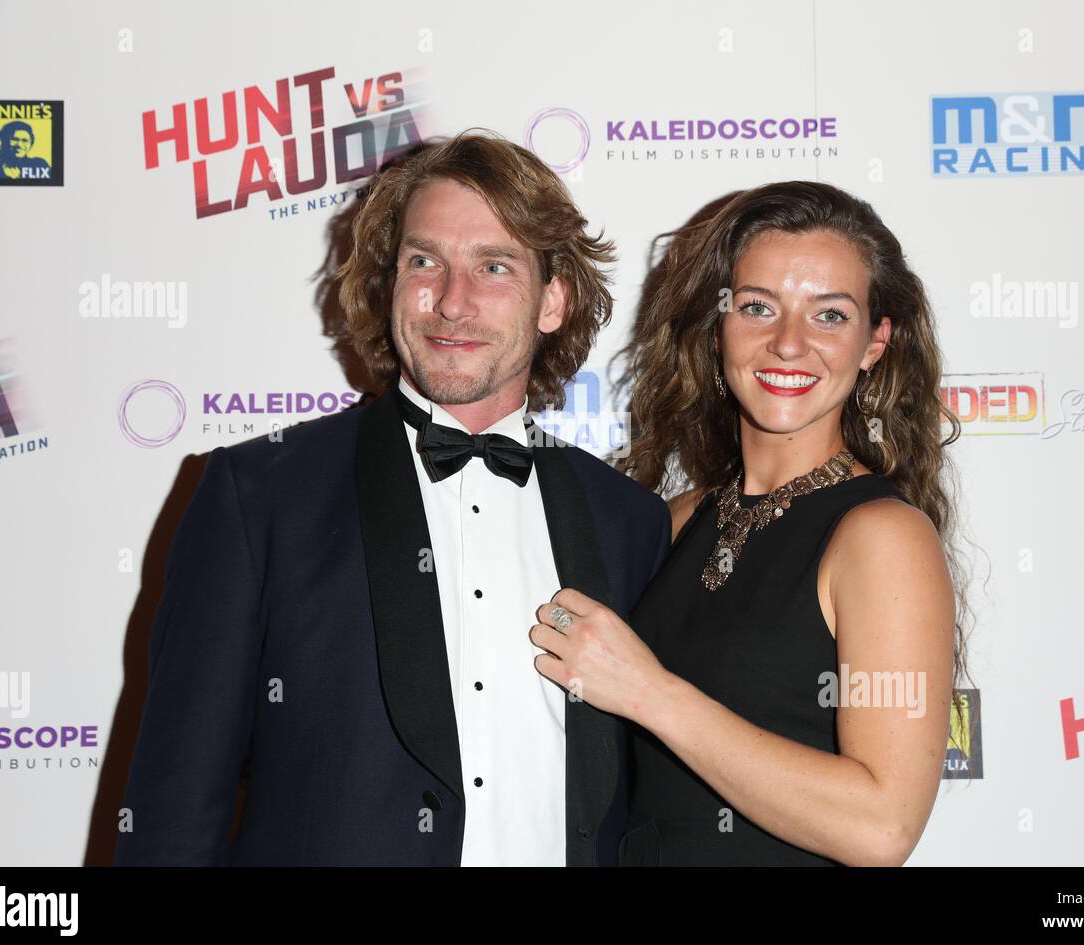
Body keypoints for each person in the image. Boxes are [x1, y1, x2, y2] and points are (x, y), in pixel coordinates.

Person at [113, 130, 672, 866]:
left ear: (552, 301)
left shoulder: (628, 521)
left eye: (494, 267)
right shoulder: (260, 497)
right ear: (388, 286)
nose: (451, 302)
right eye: (423, 262)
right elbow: (173, 813)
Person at [527, 181, 972, 866]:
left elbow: (881, 827)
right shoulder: (671, 522)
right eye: (758, 307)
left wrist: (650, 693)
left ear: (875, 343)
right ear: (717, 324)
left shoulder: (881, 536)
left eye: (829, 316)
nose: (788, 344)